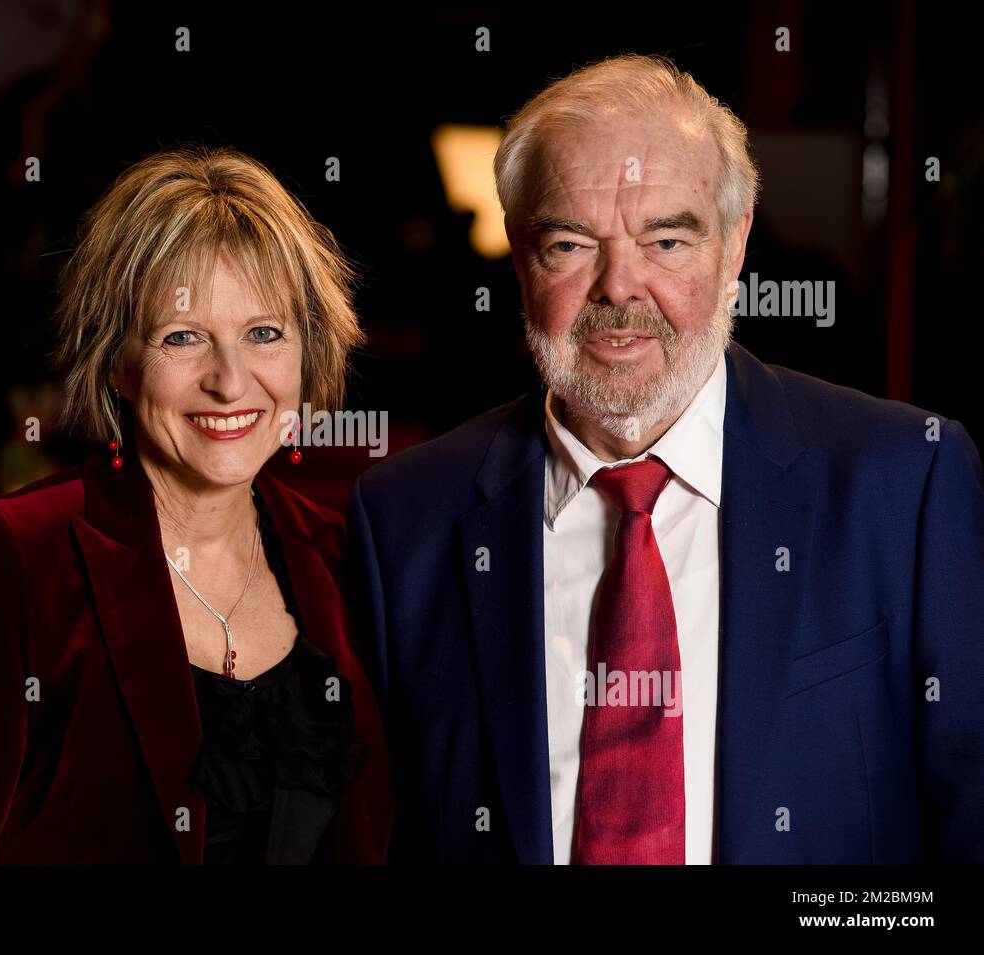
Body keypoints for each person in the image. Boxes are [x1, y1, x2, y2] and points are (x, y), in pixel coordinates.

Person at [347, 54, 983, 864]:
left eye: (667, 239)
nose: (620, 286)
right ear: (517, 251)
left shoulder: (905, 485)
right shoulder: (403, 519)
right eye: (572, 243)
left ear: (735, 244)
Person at [0, 146, 392, 864]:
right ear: (116, 359)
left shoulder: (343, 560)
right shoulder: (8, 558)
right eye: (183, 337)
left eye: (264, 333)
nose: (230, 380)